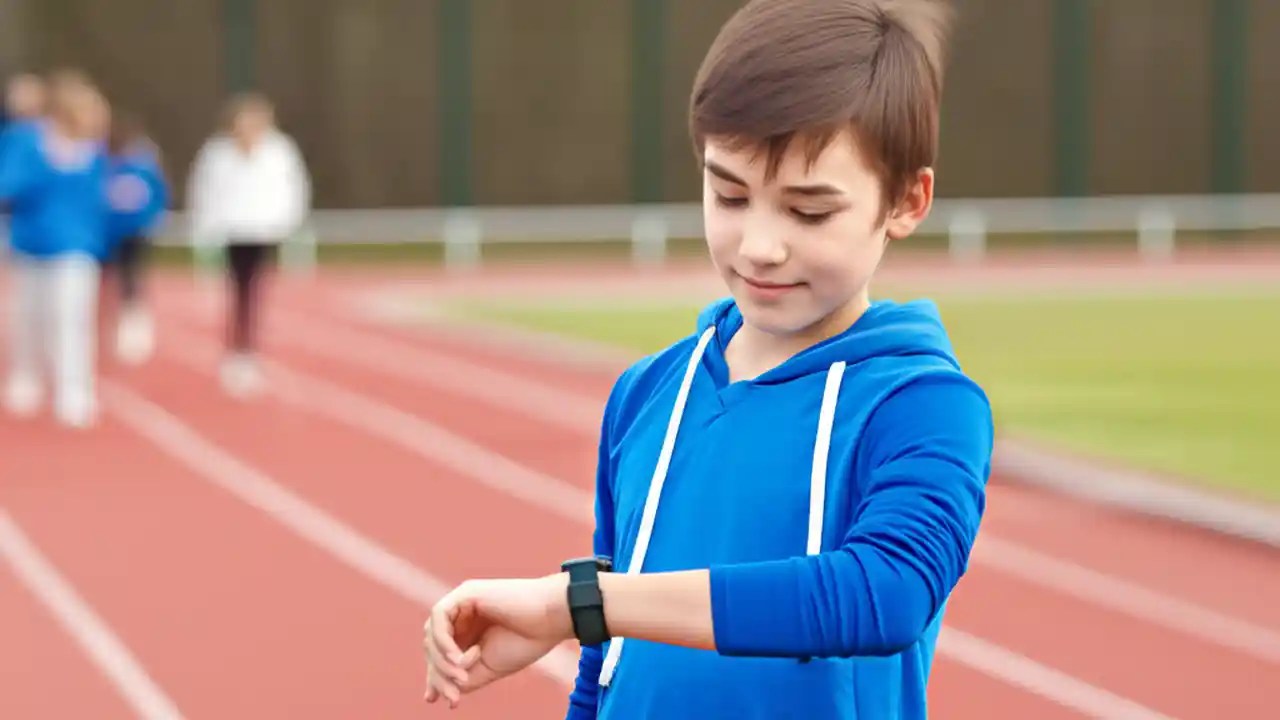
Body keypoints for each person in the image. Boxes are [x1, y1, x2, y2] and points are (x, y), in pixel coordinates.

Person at [422, 0, 993, 718]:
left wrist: (580, 604)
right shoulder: (648, 391)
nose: (759, 245)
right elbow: (605, 661)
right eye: (729, 194)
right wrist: (588, 612)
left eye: (808, 211)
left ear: (908, 201)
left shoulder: (924, 403)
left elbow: (887, 592)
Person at [1, 69, 111, 428]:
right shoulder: (27, 140)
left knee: (72, 318)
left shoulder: (92, 150)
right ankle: (27, 376)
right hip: (32, 242)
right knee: (30, 316)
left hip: (76, 247)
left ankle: (74, 389)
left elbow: (98, 201)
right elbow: (8, 183)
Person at [185, 92, 310, 397]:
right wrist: (204, 228)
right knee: (237, 288)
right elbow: (203, 190)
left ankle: (247, 349)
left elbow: (294, 187)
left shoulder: (279, 150)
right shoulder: (217, 152)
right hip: (231, 229)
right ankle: (236, 349)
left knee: (254, 289)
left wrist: (287, 223)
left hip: (264, 229)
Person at [101, 110, 169, 365]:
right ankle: (107, 327)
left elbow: (158, 193)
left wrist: (153, 220)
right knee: (106, 283)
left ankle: (134, 332)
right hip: (108, 233)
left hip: (136, 232)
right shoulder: (104, 163)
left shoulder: (144, 164)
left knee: (133, 280)